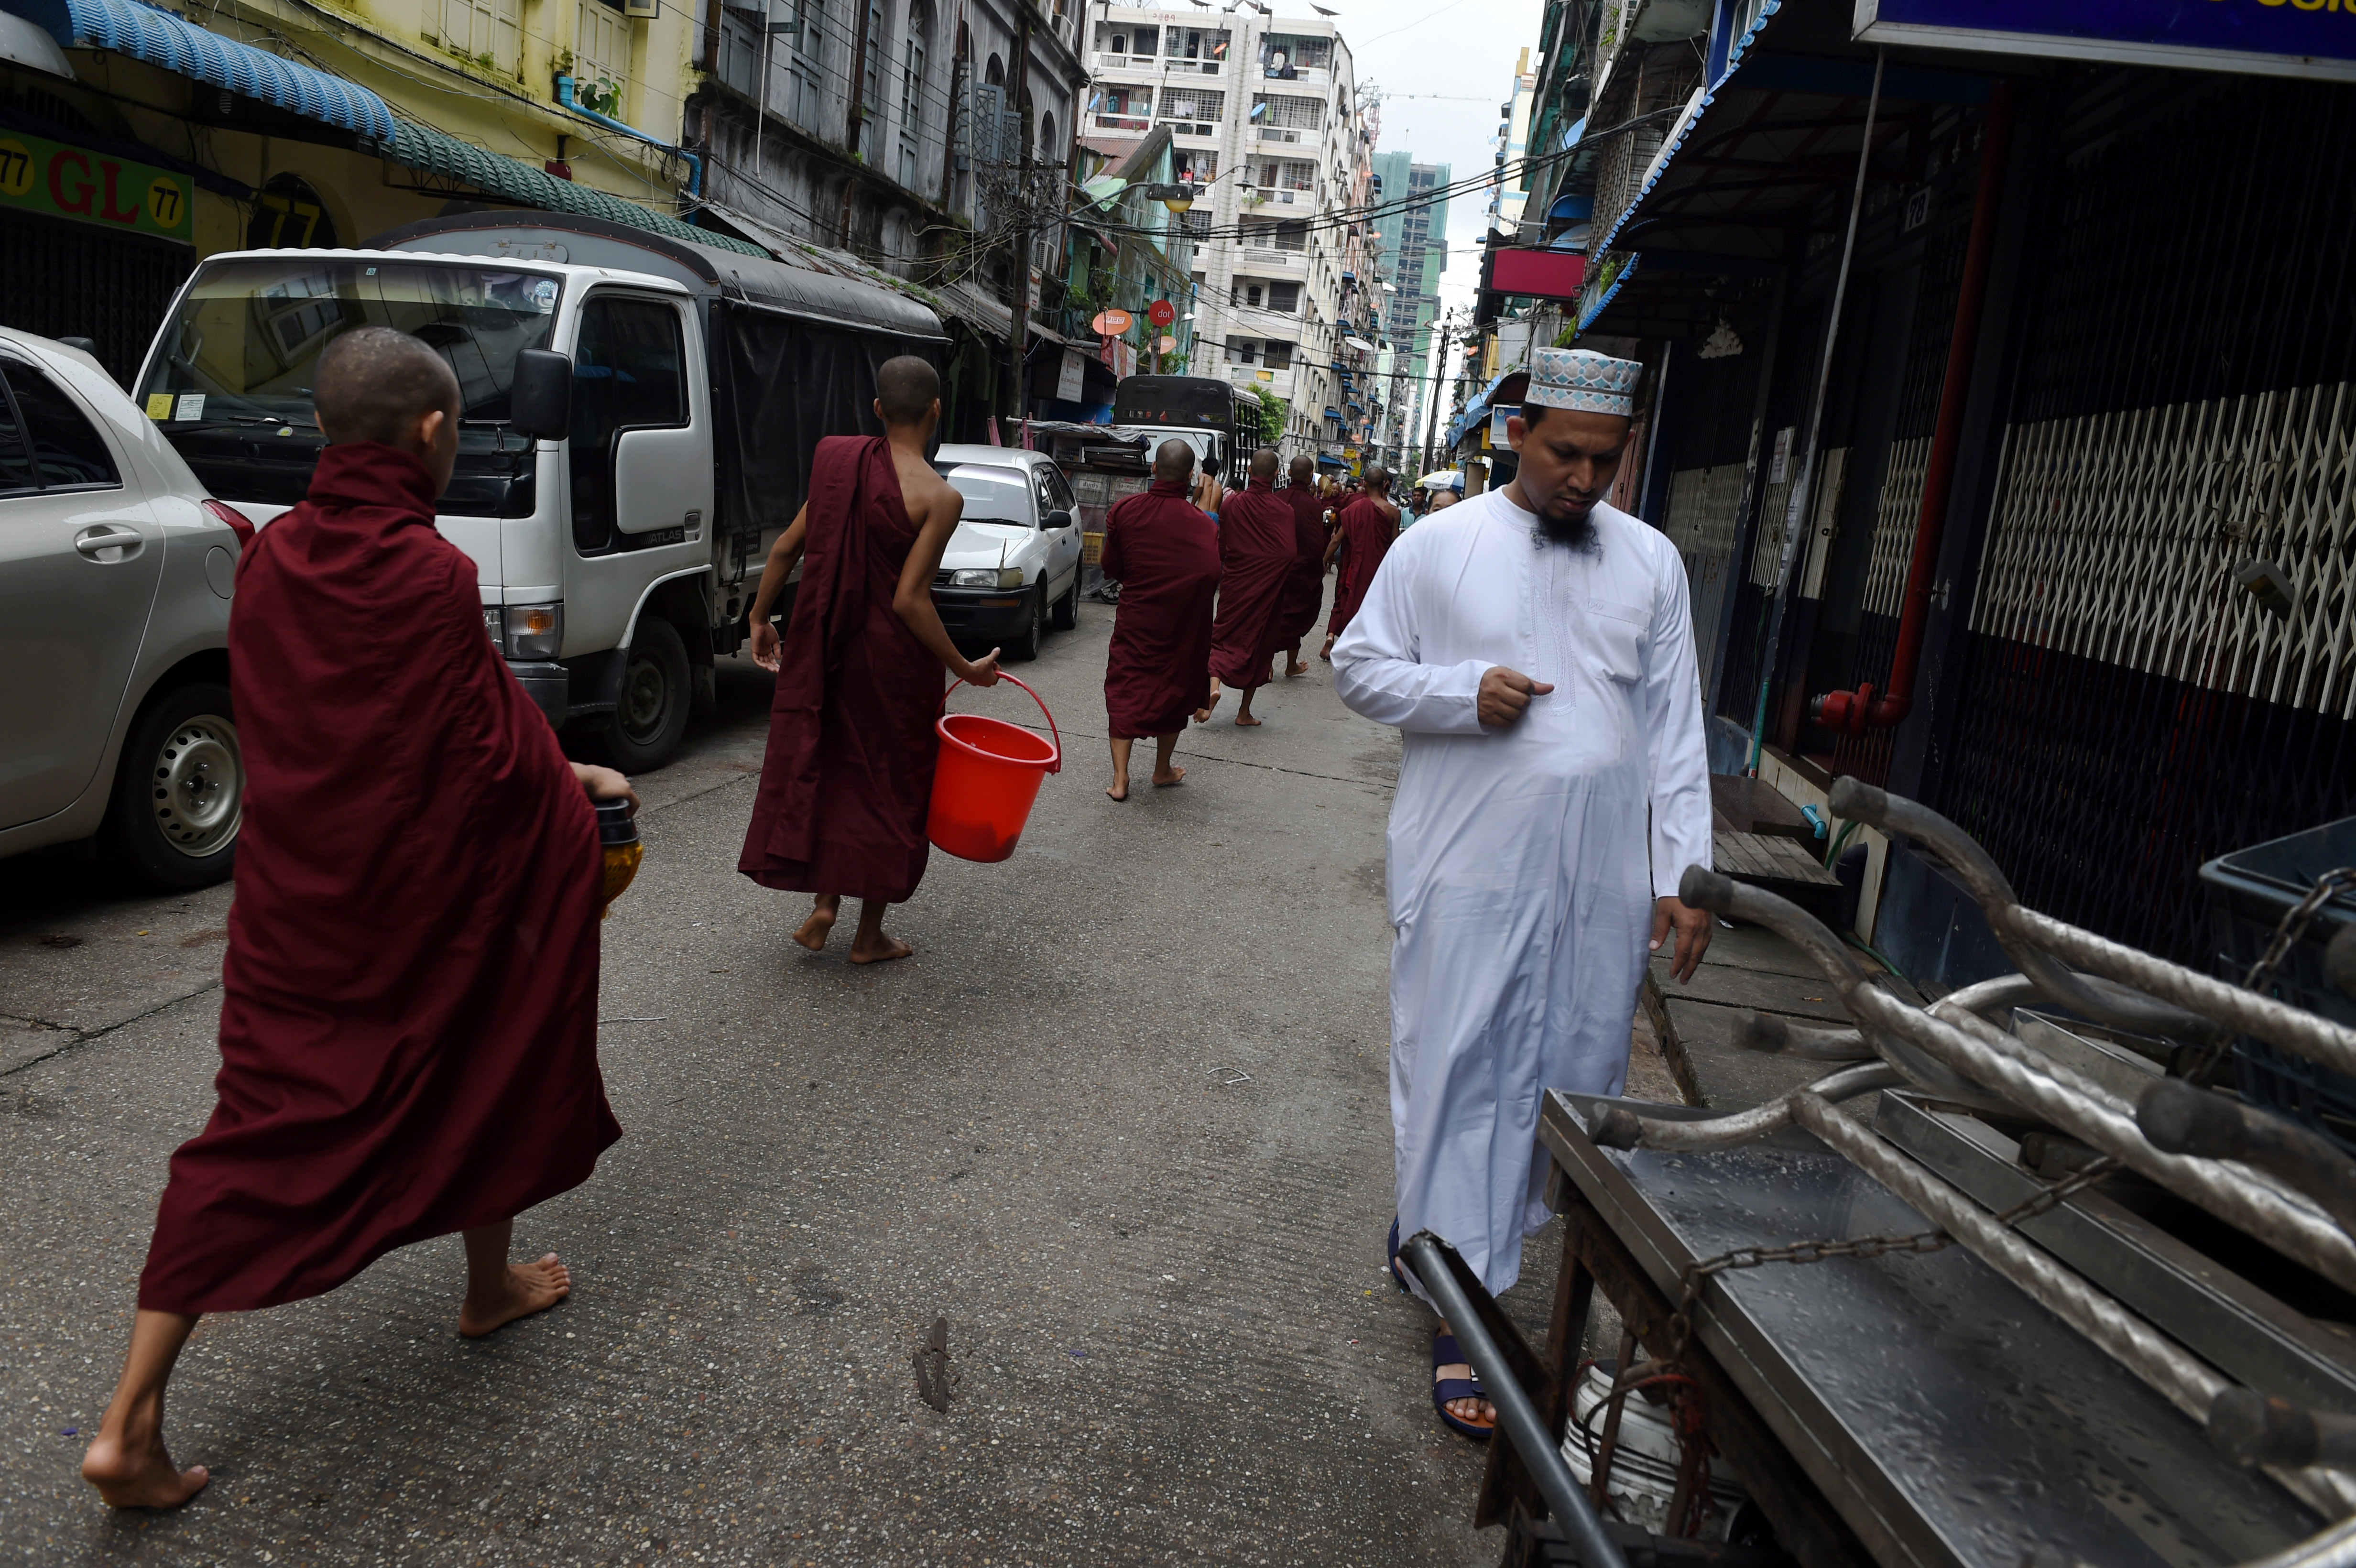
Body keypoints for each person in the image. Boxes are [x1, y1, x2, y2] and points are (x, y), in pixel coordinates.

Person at [82, 327, 635, 1509]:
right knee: (484, 1034)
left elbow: (461, 709)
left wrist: (558, 762)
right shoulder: (431, 571)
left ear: (326, 431)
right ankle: (131, 1423)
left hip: (295, 909)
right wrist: (561, 804)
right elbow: (478, 755)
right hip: (405, 911)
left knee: (261, 1126)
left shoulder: (275, 553)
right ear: (433, 436)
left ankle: (140, 1415)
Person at [1332, 347, 1712, 1442]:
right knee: (1458, 1060)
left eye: (1604, 458)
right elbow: (1359, 665)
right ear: (1516, 432)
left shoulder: (1653, 564)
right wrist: (1458, 691)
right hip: (1469, 866)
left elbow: (1676, 734)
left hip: (1600, 885)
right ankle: (1463, 1300)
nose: (1582, 479)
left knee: (1564, 1070)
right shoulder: (1440, 543)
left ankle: (1443, 1231)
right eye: (1563, 454)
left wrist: (1685, 873)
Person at [738, 356, 1000, 963]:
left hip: (831, 651)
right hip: (895, 667)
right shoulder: (941, 496)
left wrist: (758, 619)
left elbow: (784, 547)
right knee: (891, 786)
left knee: (836, 773)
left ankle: (824, 904)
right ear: (936, 410)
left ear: (879, 411)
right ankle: (867, 934)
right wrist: (964, 667)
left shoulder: (840, 464)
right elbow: (909, 601)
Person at [1101, 439, 1223, 799]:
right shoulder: (1204, 526)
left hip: (1138, 620)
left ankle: (1121, 779)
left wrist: (1140, 582)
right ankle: (1161, 769)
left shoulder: (1124, 511)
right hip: (1181, 623)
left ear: (1154, 468)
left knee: (1126, 688)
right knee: (1174, 689)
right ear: (1190, 477)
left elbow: (1111, 567)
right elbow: (1212, 574)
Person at [1202, 447, 1297, 727]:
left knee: (1223, 635)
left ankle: (1213, 688)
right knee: (1259, 642)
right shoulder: (1285, 510)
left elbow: (1222, 543)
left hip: (1236, 581)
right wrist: (1272, 574)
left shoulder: (1233, 504)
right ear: (1277, 475)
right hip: (1268, 587)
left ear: (1249, 472)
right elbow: (1290, 553)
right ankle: (1243, 712)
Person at [1318, 465, 1400, 660]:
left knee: (1345, 602)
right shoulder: (1393, 512)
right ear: (1384, 485)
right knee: (1373, 607)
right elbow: (1396, 546)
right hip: (1379, 569)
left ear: (1364, 484)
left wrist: (1322, 562)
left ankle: (1333, 639)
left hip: (1353, 566)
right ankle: (1364, 649)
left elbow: (1337, 540)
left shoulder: (1353, 509)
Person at [1273, 455, 1331, 677]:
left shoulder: (1276, 498)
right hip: (1301, 571)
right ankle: (1291, 664)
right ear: (1310, 477)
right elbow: (1316, 542)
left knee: (1271, 615)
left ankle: (1266, 665)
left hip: (1276, 569)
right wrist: (1319, 566)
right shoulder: (1314, 506)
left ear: (1288, 474)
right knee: (1295, 617)